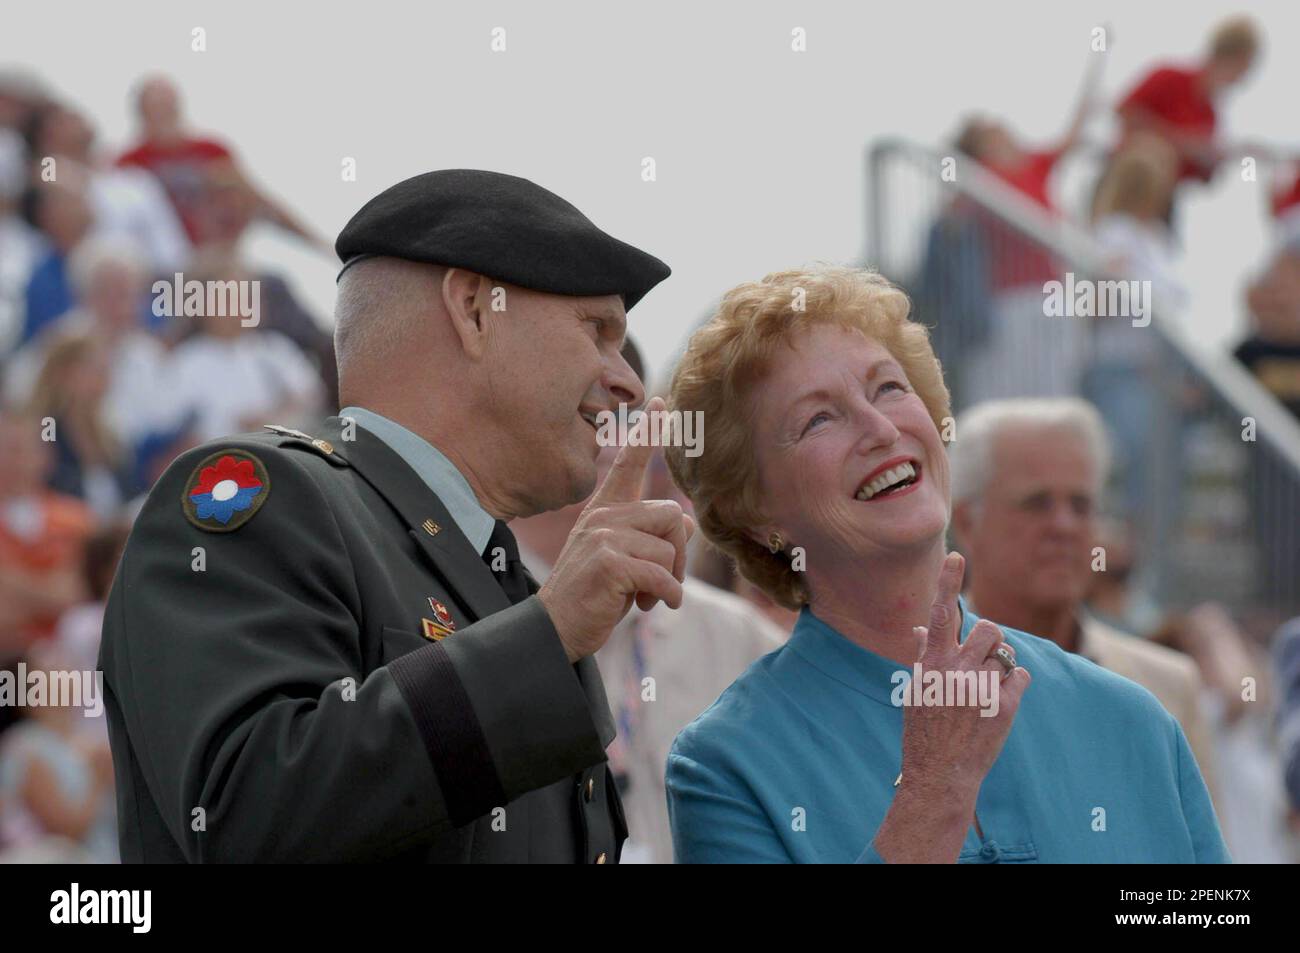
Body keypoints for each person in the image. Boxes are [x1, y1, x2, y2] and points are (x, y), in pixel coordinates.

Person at [99, 168, 691, 863]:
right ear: (475, 309)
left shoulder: (512, 586)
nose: (626, 378)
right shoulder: (260, 498)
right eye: (599, 331)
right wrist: (548, 633)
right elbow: (248, 818)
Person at [663, 265, 1228, 863]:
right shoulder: (725, 767)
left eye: (888, 388)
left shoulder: (1131, 719)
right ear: (756, 512)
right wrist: (934, 791)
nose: (881, 429)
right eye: (818, 419)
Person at [513, 341, 787, 864]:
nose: (610, 436)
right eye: (586, 409)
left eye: (624, 415)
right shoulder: (453, 618)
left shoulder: (732, 635)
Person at [947, 397, 1219, 805]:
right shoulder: (920, 682)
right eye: (1036, 503)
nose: (1064, 526)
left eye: (1081, 505)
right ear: (968, 522)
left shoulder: (1169, 686)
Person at [1115, 16, 1259, 214]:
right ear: (1229, 58)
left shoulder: (1210, 116)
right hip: (1122, 188)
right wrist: (1183, 143)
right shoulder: (1169, 77)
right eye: (1242, 69)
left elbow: (1201, 179)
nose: (1241, 80)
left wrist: (1216, 162)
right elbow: (1124, 112)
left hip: (1160, 202)